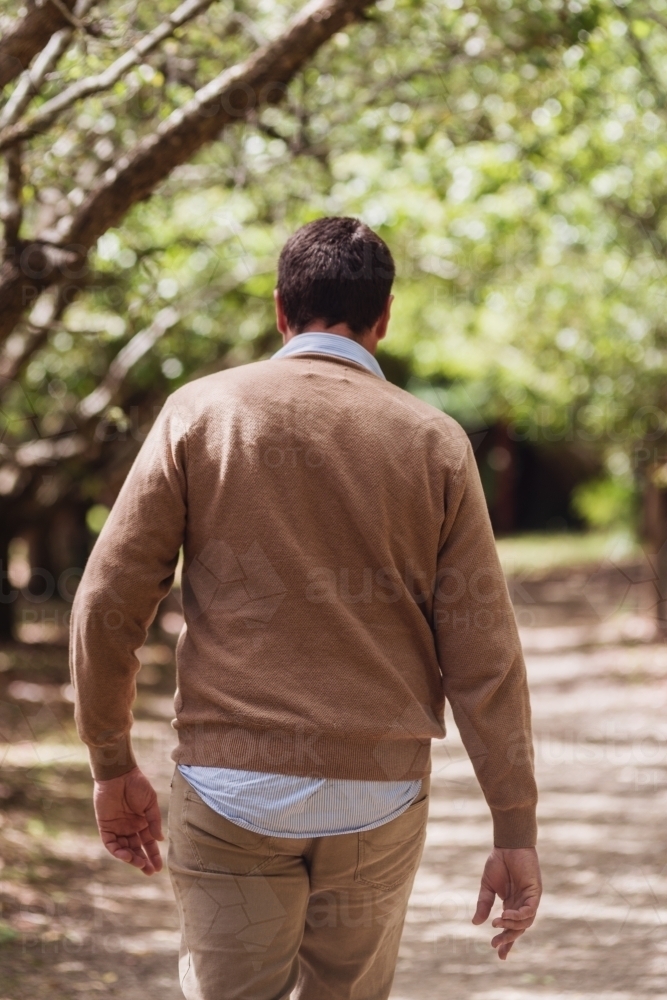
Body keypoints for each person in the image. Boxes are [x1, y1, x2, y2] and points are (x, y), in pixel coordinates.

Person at [70, 216, 542, 1000]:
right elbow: (482, 651)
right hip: (378, 793)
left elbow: (108, 600)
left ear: (281, 312)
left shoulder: (201, 413)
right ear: (382, 319)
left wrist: (111, 763)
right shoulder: (434, 441)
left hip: (229, 785)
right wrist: (514, 827)